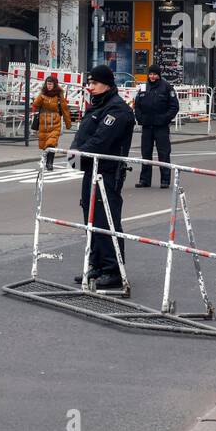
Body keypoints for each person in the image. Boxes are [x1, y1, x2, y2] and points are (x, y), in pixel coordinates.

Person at [70, 65, 135, 289]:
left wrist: (80, 155)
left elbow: (101, 141)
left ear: (107, 84)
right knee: (90, 217)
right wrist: (74, 156)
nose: (90, 87)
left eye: (94, 83)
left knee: (105, 219)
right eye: (89, 83)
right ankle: (96, 265)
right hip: (92, 170)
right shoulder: (97, 105)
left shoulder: (117, 109)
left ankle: (113, 270)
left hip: (108, 171)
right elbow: (82, 135)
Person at [134, 63, 178, 188]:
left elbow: (174, 106)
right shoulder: (143, 87)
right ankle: (145, 180)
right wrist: (140, 118)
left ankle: (165, 180)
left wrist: (164, 119)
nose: (152, 77)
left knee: (163, 153)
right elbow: (137, 104)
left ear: (159, 75)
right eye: (151, 74)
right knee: (146, 153)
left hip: (161, 127)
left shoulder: (167, 87)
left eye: (154, 74)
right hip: (147, 126)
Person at [32, 74, 72, 170]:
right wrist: (40, 97)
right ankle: (45, 160)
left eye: (51, 84)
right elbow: (35, 105)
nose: (49, 86)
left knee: (51, 143)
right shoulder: (43, 94)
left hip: (55, 123)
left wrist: (68, 123)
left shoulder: (59, 95)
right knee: (45, 145)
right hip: (43, 123)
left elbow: (65, 109)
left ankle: (50, 163)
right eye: (48, 84)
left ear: (55, 85)